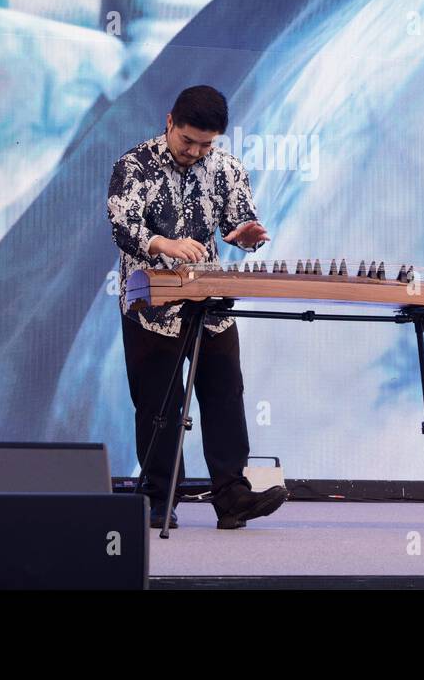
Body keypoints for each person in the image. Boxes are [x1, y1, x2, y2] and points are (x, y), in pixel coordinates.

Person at [107, 85, 288, 530]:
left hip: (210, 304)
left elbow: (238, 220)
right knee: (158, 404)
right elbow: (122, 223)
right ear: (169, 122)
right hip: (152, 304)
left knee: (225, 396)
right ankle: (158, 496)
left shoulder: (227, 169)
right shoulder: (134, 166)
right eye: (187, 140)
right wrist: (162, 242)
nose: (195, 151)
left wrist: (246, 235)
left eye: (206, 144)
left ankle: (232, 496)